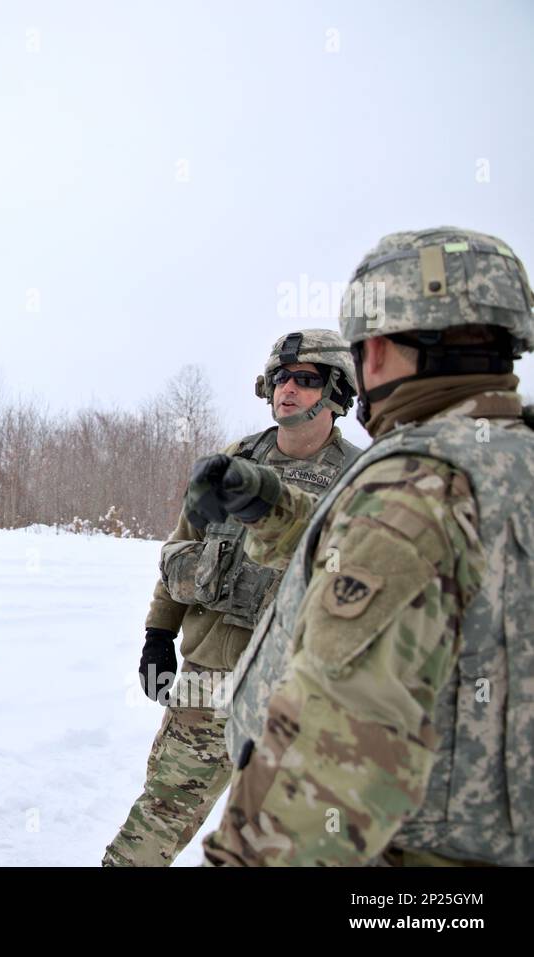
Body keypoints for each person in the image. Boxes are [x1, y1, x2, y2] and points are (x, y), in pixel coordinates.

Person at [191, 227, 534, 866]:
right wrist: (271, 505)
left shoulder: (417, 486)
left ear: (373, 353)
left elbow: (337, 749)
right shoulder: (507, 463)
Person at [103, 329, 360, 866]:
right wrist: (158, 636)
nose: (288, 388)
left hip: (302, 694)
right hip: (208, 679)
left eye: (306, 380)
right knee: (159, 815)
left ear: (335, 393)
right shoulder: (233, 462)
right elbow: (182, 548)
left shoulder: (358, 482)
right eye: (281, 378)